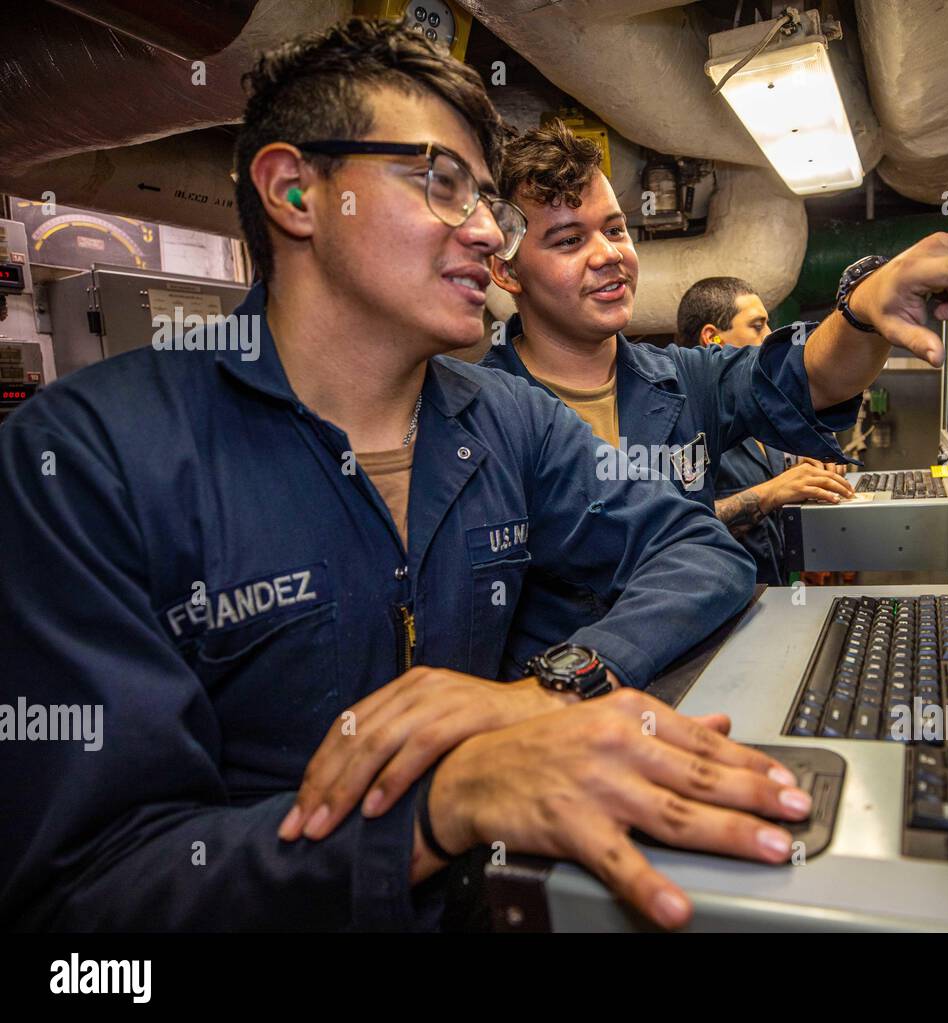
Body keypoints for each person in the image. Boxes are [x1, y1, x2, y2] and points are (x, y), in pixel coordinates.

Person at [0, 19, 818, 933]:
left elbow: (699, 548)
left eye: (490, 207)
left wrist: (547, 688)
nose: (483, 234)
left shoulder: (508, 419)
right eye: (442, 184)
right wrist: (431, 811)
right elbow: (83, 895)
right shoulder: (93, 459)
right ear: (295, 192)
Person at [481, 122, 948, 647]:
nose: (609, 254)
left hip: (701, 674)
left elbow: (812, 374)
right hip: (567, 705)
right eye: (569, 240)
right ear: (505, 273)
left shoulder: (687, 378)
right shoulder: (480, 416)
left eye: (616, 229)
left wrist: (864, 309)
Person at [677, 276, 854, 583]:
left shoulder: (756, 407)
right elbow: (677, 532)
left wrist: (807, 464)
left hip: (773, 593)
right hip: (724, 609)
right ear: (712, 338)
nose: (770, 336)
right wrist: (771, 492)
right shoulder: (684, 422)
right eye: (757, 326)